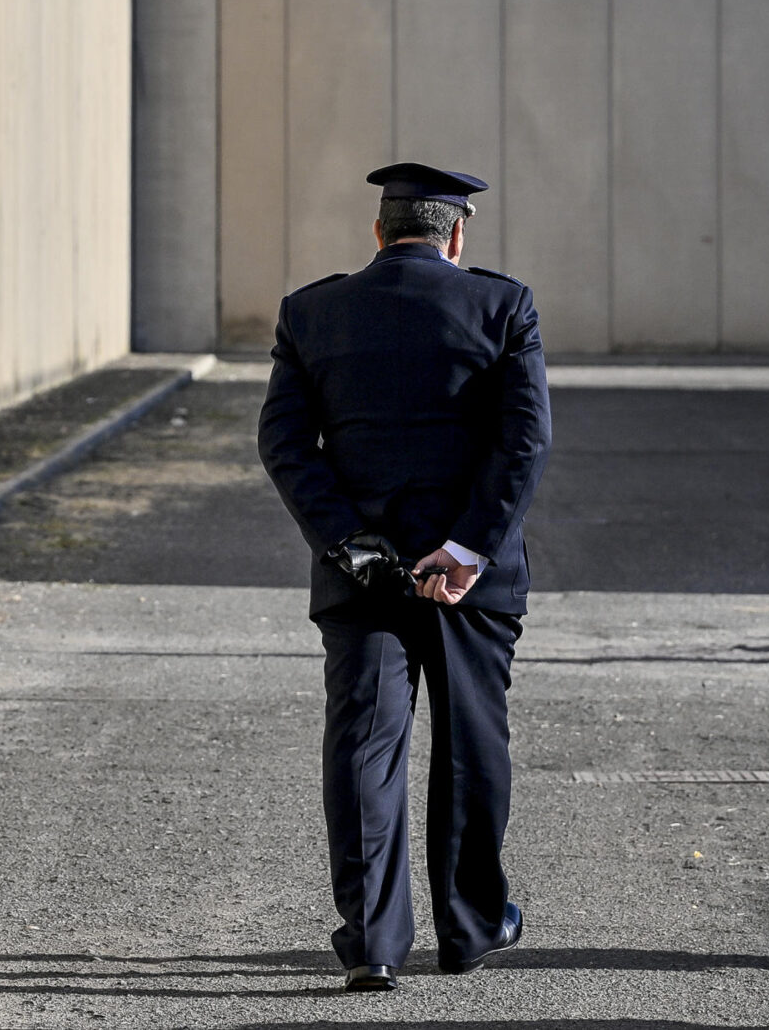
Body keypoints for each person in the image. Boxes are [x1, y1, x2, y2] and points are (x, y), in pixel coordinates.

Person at [255, 162, 551, 993]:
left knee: (364, 749)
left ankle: (375, 941)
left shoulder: (312, 311)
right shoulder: (503, 304)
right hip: (469, 579)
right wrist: (465, 548)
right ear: (457, 234)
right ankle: (470, 927)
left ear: (378, 233)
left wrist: (350, 541)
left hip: (365, 576)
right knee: (470, 744)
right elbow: (523, 441)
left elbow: (284, 444)